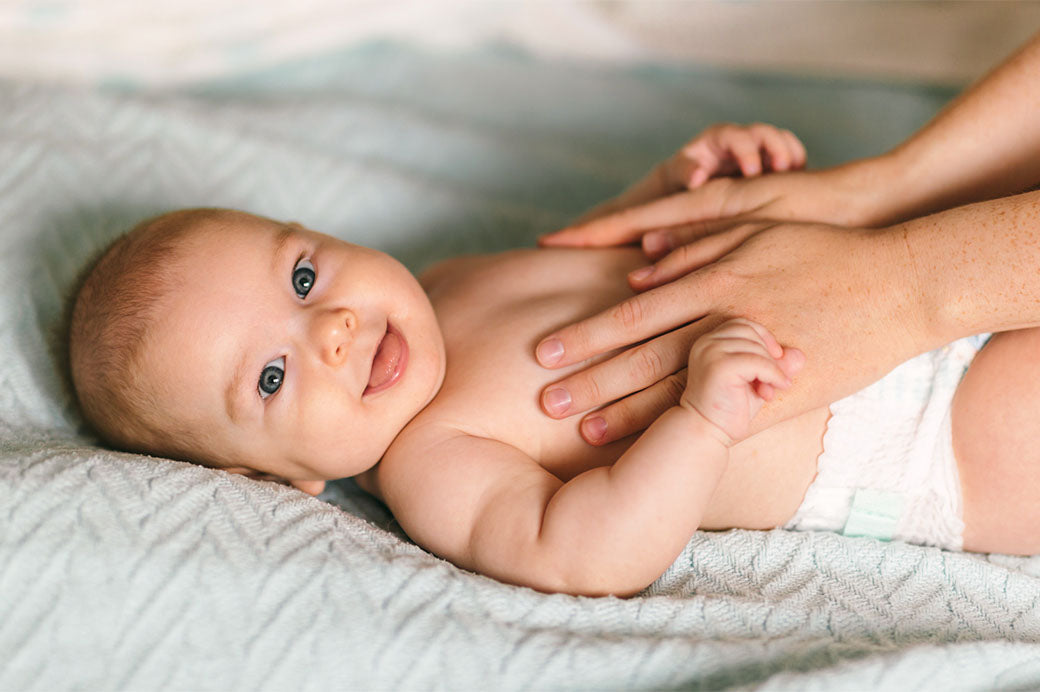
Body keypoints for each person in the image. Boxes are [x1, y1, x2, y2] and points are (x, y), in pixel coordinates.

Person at [69, 196, 1040, 598]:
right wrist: (698, 422)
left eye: (304, 277)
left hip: (863, 274)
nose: (330, 330)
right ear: (279, 478)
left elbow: (607, 251)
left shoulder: (444, 281)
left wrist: (685, 186)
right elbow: (588, 549)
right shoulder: (431, 463)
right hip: (913, 436)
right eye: (273, 377)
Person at [534, 31, 1040, 457]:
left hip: (873, 338)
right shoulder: (454, 447)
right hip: (918, 426)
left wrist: (900, 282)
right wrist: (885, 194)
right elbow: (584, 551)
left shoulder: (451, 291)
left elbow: (585, 259)